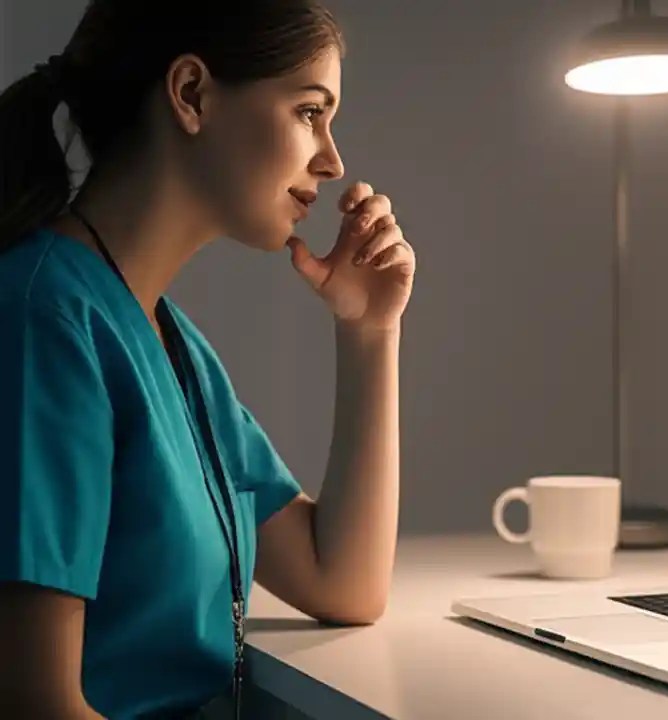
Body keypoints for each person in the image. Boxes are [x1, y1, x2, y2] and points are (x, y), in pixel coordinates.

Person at [0, 1, 415, 717]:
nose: (333, 158)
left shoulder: (172, 344)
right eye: (310, 112)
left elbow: (343, 582)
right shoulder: (46, 321)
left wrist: (370, 330)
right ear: (191, 94)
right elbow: (36, 704)